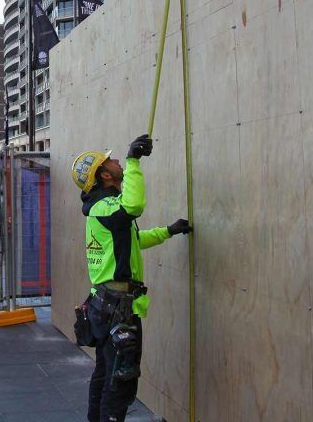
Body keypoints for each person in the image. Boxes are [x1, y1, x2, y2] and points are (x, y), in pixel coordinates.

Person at [72, 135, 192, 422]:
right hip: (117, 309)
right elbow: (134, 206)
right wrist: (133, 160)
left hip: (108, 306)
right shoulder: (105, 209)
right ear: (105, 174)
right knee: (120, 382)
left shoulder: (106, 210)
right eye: (111, 161)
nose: (116, 162)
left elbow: (134, 240)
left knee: (105, 374)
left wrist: (168, 231)